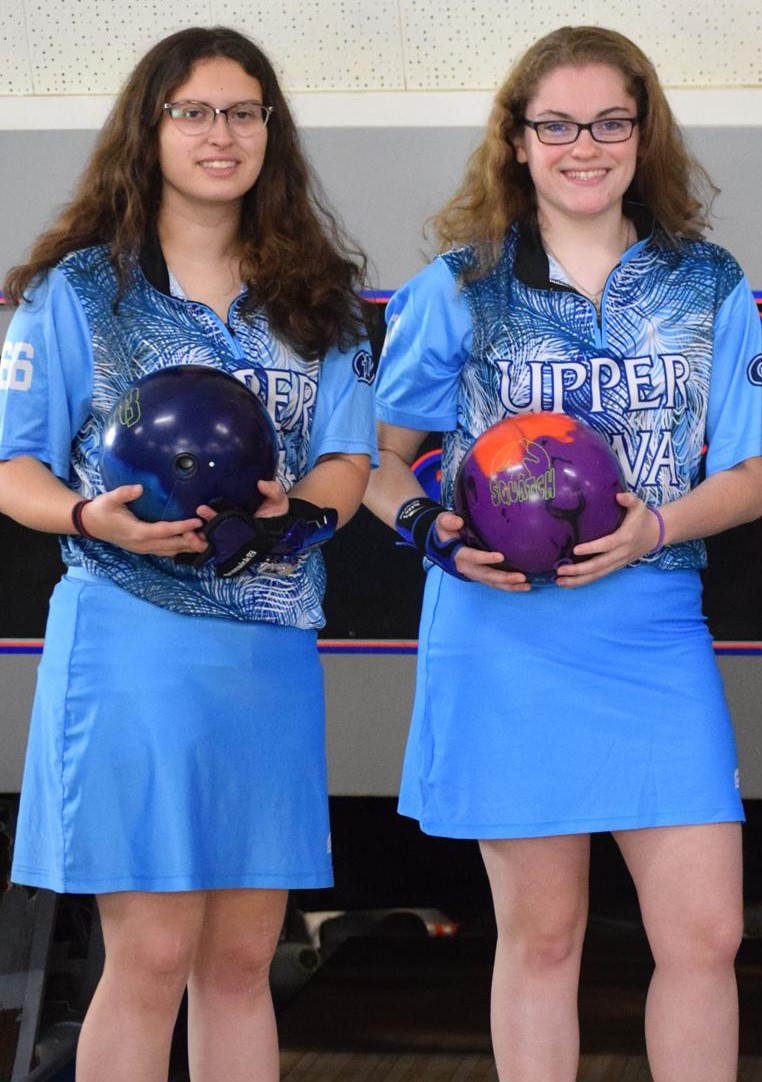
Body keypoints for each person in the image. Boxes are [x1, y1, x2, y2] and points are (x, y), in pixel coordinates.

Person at [363, 25, 762, 1082]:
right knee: (541, 939)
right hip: (502, 636)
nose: (583, 145)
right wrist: (428, 527)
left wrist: (656, 526)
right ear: (517, 140)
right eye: (557, 124)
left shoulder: (708, 283)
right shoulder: (459, 286)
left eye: (609, 122)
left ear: (644, 136)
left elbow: (751, 478)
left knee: (706, 935)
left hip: (650, 633)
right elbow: (367, 462)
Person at [0, 27, 372, 1082]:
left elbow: (347, 458)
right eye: (196, 112)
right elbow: (11, 466)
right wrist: (88, 517)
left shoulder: (319, 297)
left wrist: (293, 513)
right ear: (148, 129)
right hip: (132, 638)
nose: (224, 134)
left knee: (243, 955)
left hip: (270, 646)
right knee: (155, 951)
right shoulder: (78, 293)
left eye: (245, 112)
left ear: (272, 132)